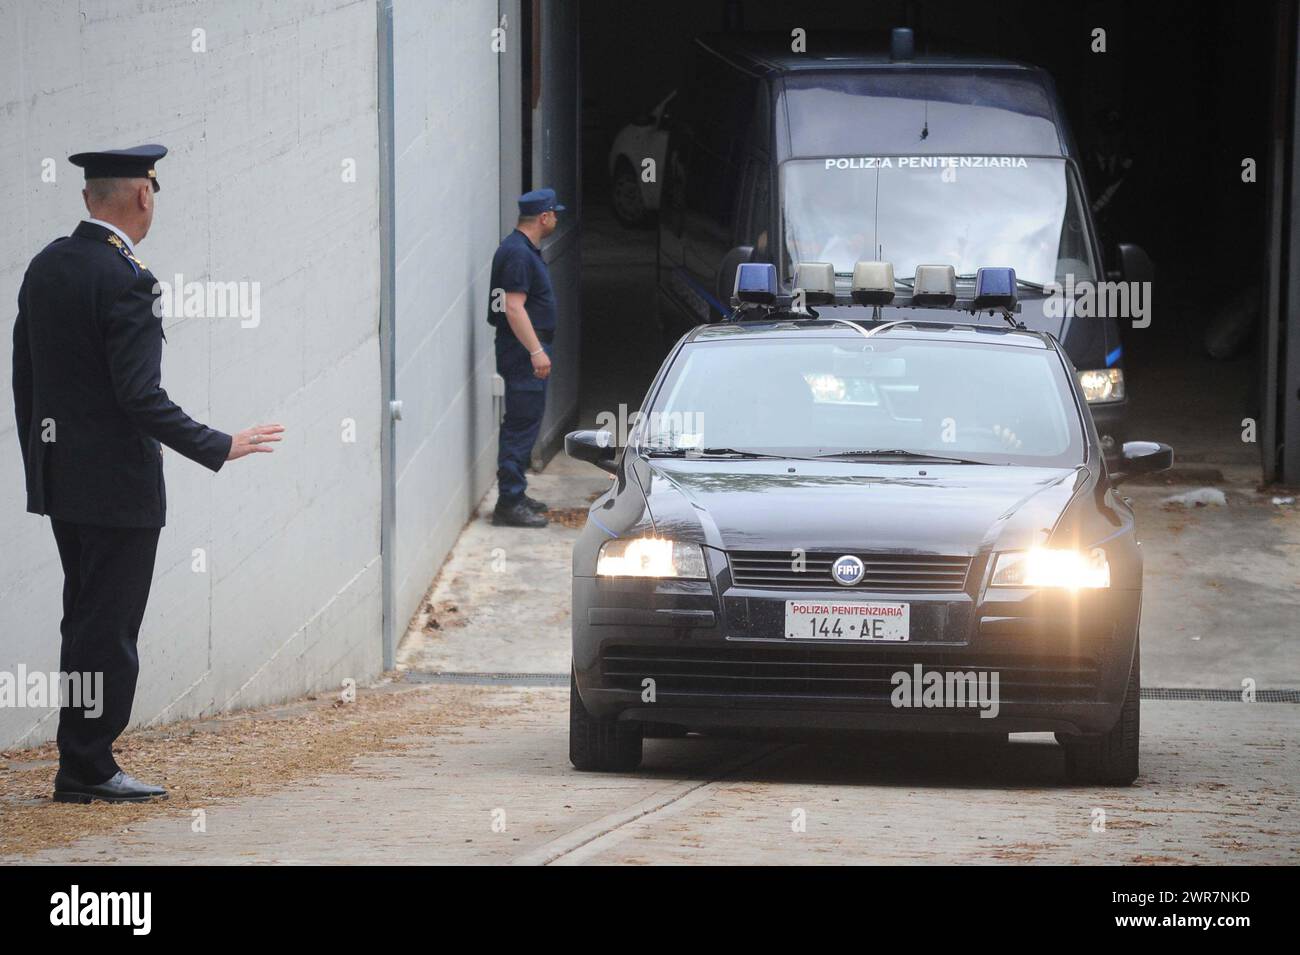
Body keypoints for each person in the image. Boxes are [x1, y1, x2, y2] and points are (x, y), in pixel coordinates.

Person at [10, 144, 284, 804]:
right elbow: (139, 395)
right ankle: (89, 765)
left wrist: (40, 465)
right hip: (118, 492)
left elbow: (26, 377)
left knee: (84, 620)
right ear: (142, 196)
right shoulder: (126, 278)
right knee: (110, 632)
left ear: (87, 198)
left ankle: (81, 757)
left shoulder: (48, 265)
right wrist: (219, 443)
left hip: (65, 485)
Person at [487, 188, 564, 528]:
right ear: (544, 217)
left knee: (524, 420)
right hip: (522, 351)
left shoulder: (519, 249)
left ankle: (516, 494)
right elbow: (513, 307)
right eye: (555, 213)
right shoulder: (518, 254)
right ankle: (509, 502)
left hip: (521, 349)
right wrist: (536, 352)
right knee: (521, 423)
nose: (557, 219)